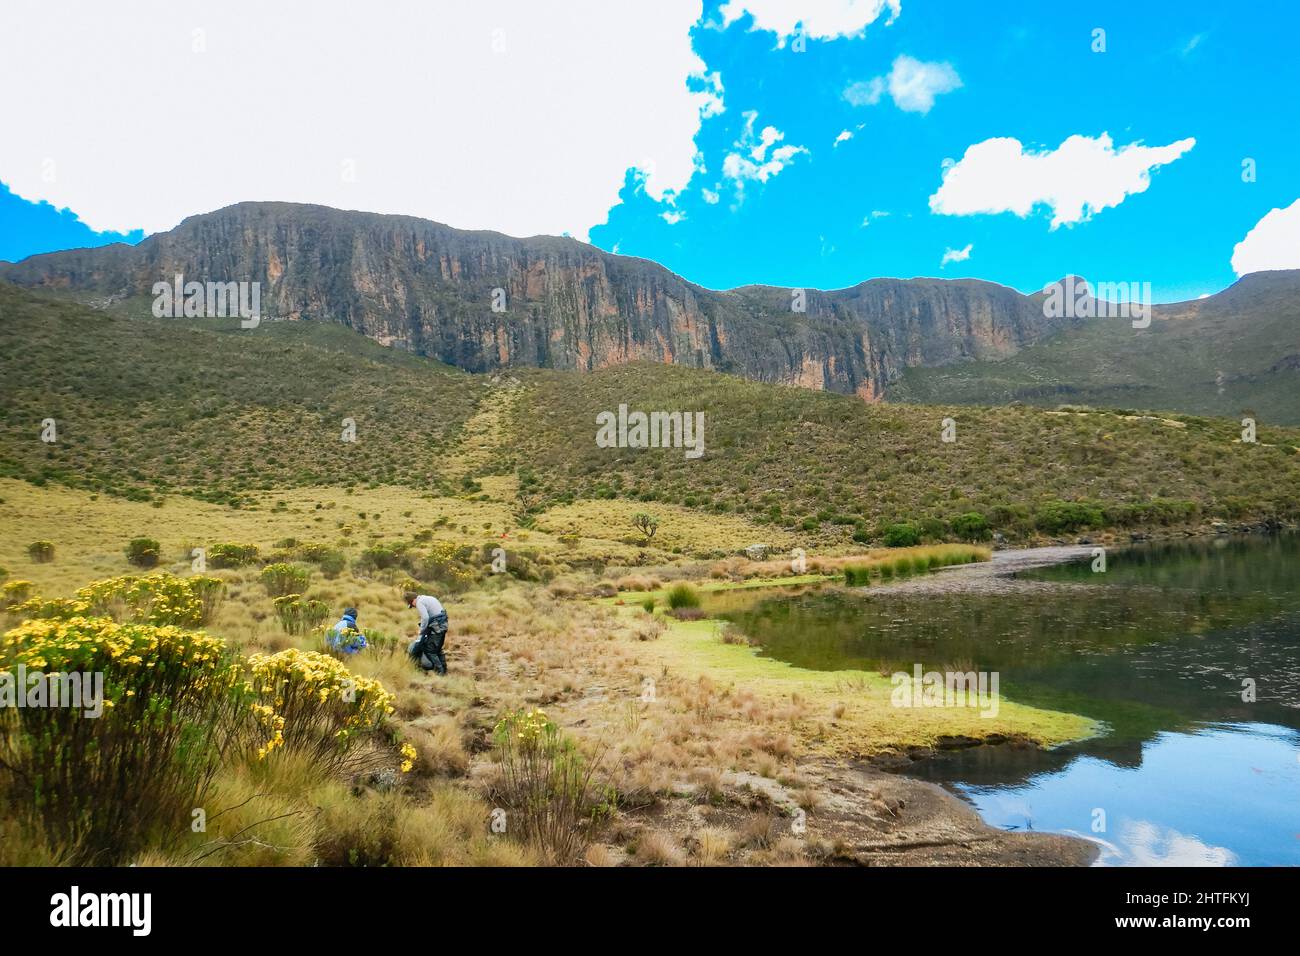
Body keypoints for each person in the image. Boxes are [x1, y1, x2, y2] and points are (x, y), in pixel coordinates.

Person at [404, 591, 448, 675]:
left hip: (437, 627)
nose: (413, 607)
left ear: (412, 600)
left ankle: (440, 672)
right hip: (443, 625)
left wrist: (421, 630)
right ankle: (444, 670)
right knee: (437, 649)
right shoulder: (428, 598)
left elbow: (425, 617)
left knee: (430, 650)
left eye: (412, 605)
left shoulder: (419, 602)